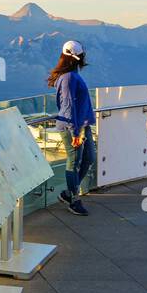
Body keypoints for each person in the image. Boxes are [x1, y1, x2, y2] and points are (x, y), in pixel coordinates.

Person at [49, 40, 95, 215]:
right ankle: (74, 200)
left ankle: (69, 193)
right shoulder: (68, 77)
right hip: (73, 127)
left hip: (82, 124)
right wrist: (75, 131)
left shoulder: (72, 75)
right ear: (76, 57)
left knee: (89, 158)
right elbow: (68, 106)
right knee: (73, 162)